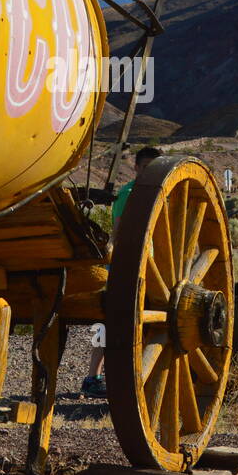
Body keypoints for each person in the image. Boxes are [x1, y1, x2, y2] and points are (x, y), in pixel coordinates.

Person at [82, 145, 162, 398]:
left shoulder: (150, 192)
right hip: (127, 263)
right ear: (136, 167)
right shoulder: (131, 193)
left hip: (142, 263)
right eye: (146, 168)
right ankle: (94, 377)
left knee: (129, 322)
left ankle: (127, 375)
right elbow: (120, 230)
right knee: (109, 323)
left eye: (154, 168)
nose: (150, 173)